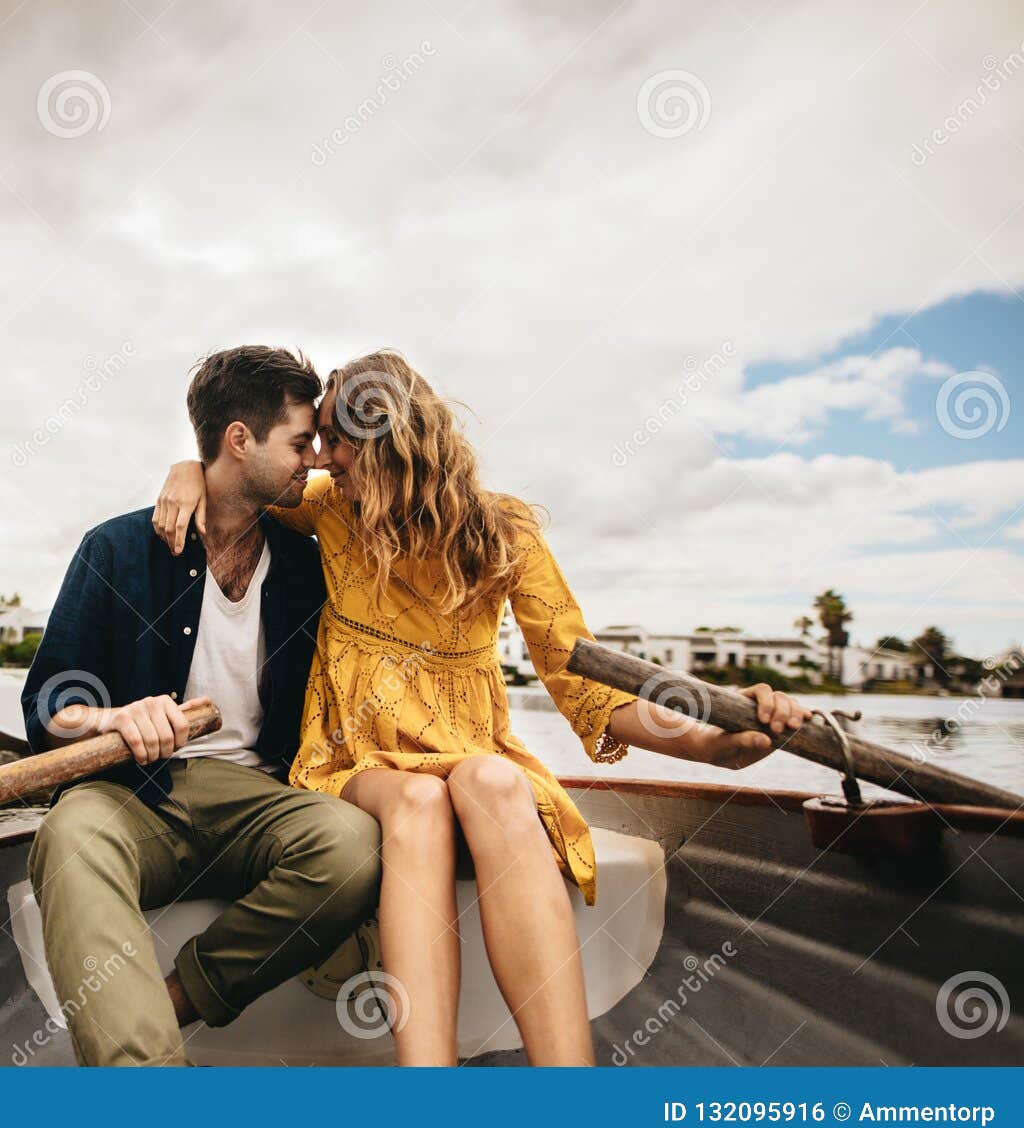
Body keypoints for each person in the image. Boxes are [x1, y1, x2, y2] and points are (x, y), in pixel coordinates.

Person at [153, 349, 812, 1066]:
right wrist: (185, 468)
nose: (322, 461)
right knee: (418, 802)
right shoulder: (329, 510)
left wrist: (713, 746)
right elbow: (237, 474)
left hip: (471, 753)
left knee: (496, 781)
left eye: (334, 444)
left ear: (383, 443)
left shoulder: (504, 532)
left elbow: (581, 683)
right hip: (356, 756)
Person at [21, 345, 382, 1066]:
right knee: (68, 841)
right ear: (240, 440)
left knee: (352, 844)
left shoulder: (311, 564)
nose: (313, 458)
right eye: (300, 441)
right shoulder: (117, 548)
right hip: (131, 791)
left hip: (257, 795)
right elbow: (49, 699)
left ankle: (179, 996)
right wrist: (111, 717)